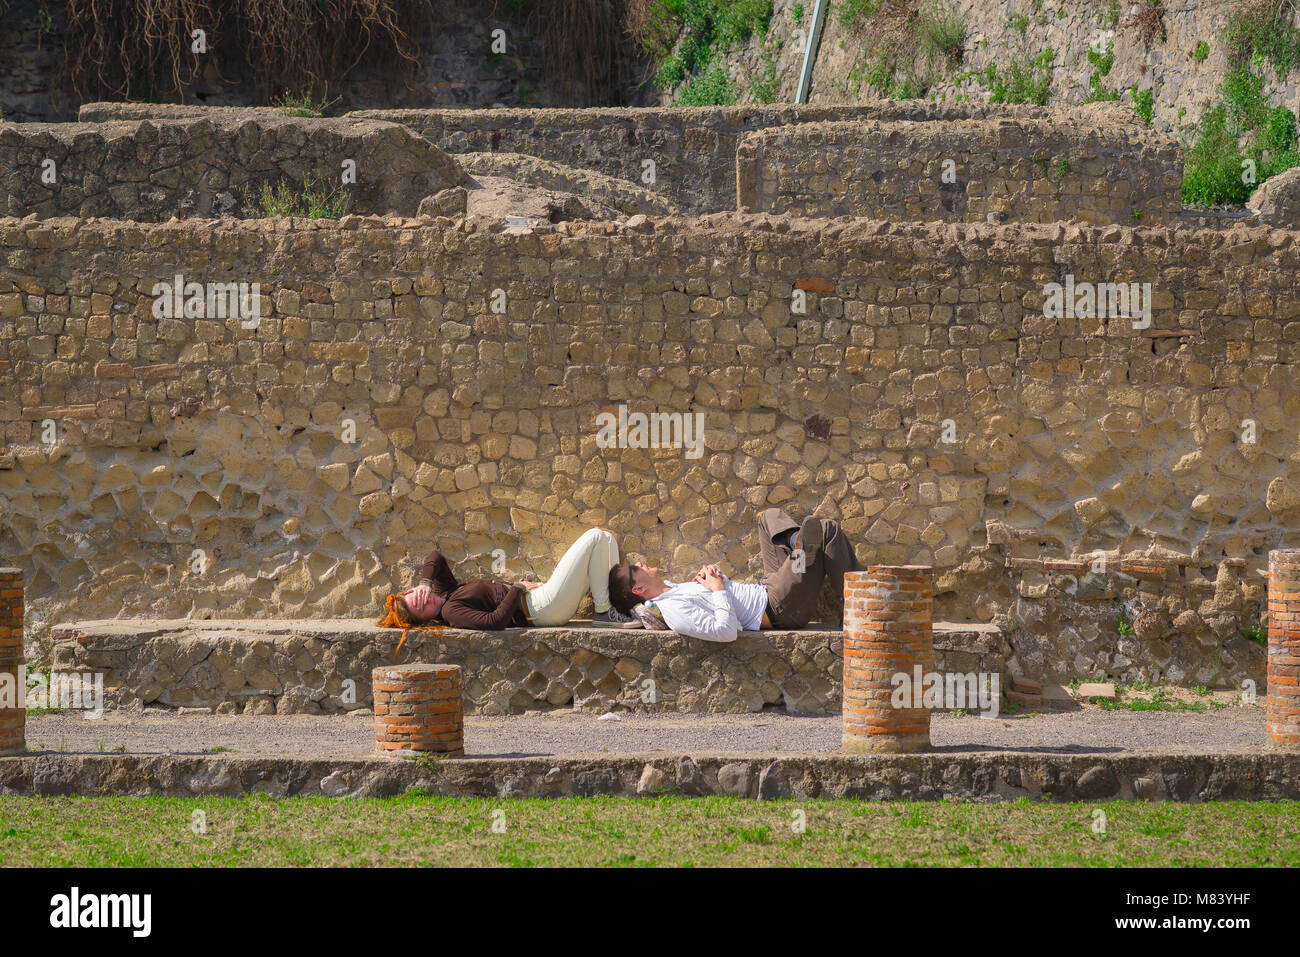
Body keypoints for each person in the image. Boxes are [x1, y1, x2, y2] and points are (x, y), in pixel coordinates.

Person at [606, 507, 860, 642]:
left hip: (768, 587)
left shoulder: (672, 589)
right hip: (781, 607)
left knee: (768, 517)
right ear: (637, 589)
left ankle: (799, 545)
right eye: (633, 569)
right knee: (828, 530)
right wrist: (717, 589)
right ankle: (858, 611)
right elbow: (725, 632)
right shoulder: (673, 611)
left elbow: (715, 595)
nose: (639, 563)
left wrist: (712, 576)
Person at [378, 527, 637, 632]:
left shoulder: (446, 592)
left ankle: (615, 608)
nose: (425, 600)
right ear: (425, 619)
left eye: (417, 595)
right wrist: (517, 588)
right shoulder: (451, 612)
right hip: (540, 608)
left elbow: (435, 557)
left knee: (606, 538)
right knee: (594, 536)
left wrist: (425, 583)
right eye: (422, 608)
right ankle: (603, 612)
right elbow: (494, 622)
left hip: (541, 597)